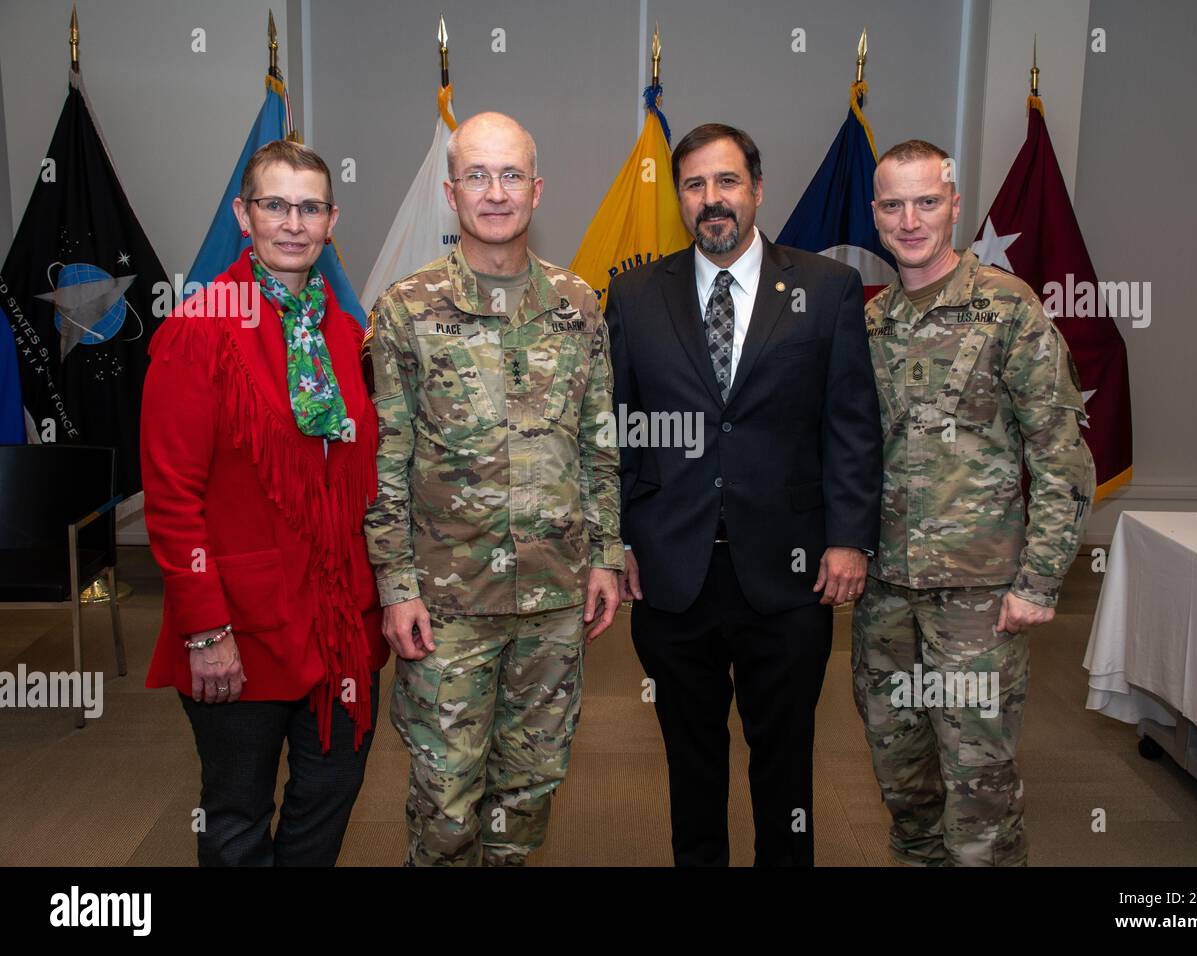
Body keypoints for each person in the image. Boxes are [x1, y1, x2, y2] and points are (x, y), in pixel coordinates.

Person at [606, 123, 882, 866]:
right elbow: (621, 430)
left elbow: (851, 423)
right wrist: (623, 540)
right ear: (680, 199)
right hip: (673, 573)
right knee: (690, 762)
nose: (711, 199)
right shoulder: (635, 295)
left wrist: (850, 537)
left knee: (785, 760)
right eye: (694, 185)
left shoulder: (826, 290)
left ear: (757, 189)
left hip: (791, 573)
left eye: (726, 182)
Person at [365, 111, 623, 867]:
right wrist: (395, 584)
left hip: (552, 599)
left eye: (511, 174)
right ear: (451, 193)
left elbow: (600, 443)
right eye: (477, 175)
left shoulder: (578, 307)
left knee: (528, 796)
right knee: (446, 807)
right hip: (447, 604)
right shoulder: (406, 310)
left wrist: (606, 554)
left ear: (537, 190)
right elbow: (388, 455)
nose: (496, 191)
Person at [141, 139, 387, 866]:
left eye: (310, 207)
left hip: (341, 623)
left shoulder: (348, 334)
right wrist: (204, 630)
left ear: (331, 220)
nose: (293, 222)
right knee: (238, 817)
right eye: (275, 204)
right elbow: (171, 497)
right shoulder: (197, 331)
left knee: (330, 796)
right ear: (242, 215)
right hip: (239, 630)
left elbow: (367, 478)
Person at [854, 139, 1096, 866]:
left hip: (981, 600)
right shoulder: (871, 323)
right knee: (903, 778)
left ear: (954, 204)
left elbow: (1060, 449)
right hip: (887, 594)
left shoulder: (1005, 308)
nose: (910, 219)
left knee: (979, 786)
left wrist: (1040, 578)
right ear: (875, 214)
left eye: (927, 201)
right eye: (893, 205)